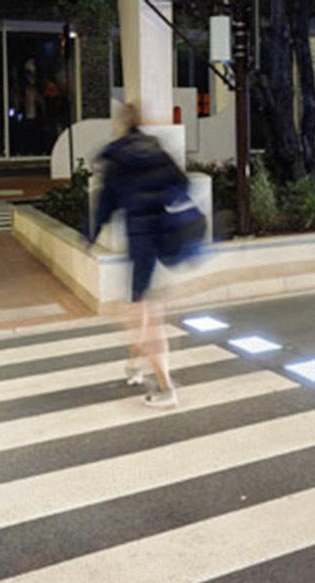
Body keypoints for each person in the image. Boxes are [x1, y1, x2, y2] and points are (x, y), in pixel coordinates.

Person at [90, 103, 205, 407]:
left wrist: (89, 236)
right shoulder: (156, 150)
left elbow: (105, 204)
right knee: (145, 306)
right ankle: (135, 365)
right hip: (168, 240)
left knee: (144, 313)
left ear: (120, 125)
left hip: (141, 243)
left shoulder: (117, 159)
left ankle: (166, 388)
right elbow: (182, 183)